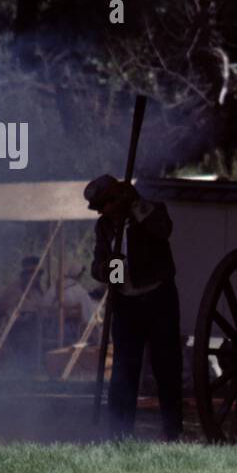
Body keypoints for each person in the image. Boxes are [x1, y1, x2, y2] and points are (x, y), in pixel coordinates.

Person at [86, 174, 183, 441]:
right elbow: (98, 264)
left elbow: (163, 230)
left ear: (117, 199)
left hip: (158, 298)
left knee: (166, 367)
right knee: (123, 372)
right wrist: (107, 269)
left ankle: (172, 431)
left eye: (105, 205)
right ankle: (119, 435)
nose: (103, 212)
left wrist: (137, 203)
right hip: (126, 303)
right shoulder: (104, 227)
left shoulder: (149, 211)